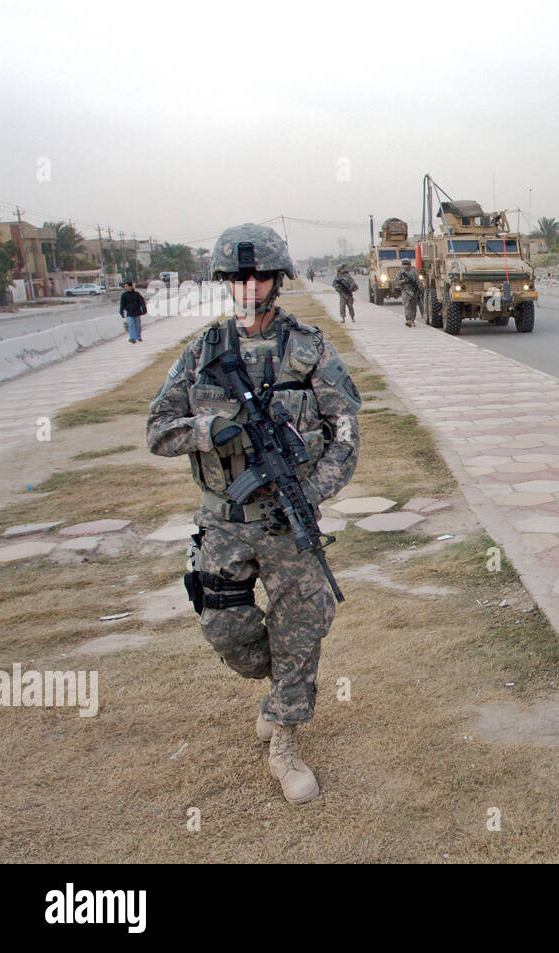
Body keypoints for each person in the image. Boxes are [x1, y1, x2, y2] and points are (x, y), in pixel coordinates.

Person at [146, 223, 361, 805]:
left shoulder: (308, 348)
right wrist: (205, 429)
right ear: (225, 282)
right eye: (238, 276)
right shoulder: (201, 353)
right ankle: (275, 692)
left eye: (259, 274)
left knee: (304, 625)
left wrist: (314, 490)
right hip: (224, 524)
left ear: (277, 280)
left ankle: (285, 741)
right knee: (227, 631)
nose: (249, 285)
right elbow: (156, 430)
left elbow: (345, 430)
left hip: (288, 523)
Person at [394, 258, 422, 328]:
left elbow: (418, 281)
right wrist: (403, 281)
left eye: (407, 264)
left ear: (410, 265)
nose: (405, 266)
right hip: (405, 291)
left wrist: (420, 289)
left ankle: (412, 320)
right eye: (404, 265)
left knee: (413, 308)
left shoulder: (414, 272)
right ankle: (408, 320)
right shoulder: (400, 272)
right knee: (407, 306)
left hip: (413, 292)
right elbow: (396, 281)